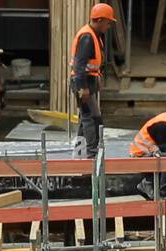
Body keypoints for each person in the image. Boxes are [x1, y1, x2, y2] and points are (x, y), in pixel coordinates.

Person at [71, 4, 116, 158]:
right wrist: (82, 87)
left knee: (86, 119)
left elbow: (92, 63)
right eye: (108, 22)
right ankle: (91, 154)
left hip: (88, 81)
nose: (109, 26)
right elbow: (79, 65)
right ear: (100, 20)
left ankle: (79, 152)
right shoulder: (87, 37)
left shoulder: (93, 35)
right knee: (91, 118)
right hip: (83, 82)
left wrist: (97, 78)